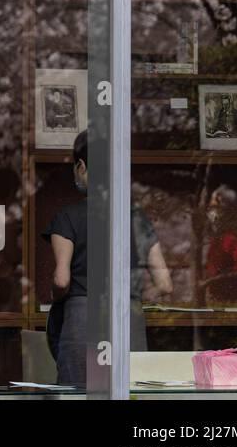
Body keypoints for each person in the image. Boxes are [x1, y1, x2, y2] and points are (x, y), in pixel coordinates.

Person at [43, 130, 172, 387]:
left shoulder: (67, 217)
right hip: (128, 316)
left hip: (83, 317)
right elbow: (164, 283)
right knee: (130, 389)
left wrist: (57, 299)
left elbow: (61, 280)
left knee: (80, 392)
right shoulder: (137, 219)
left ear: (81, 167)